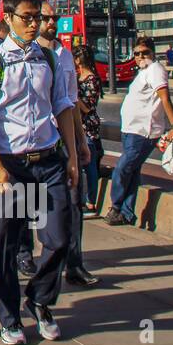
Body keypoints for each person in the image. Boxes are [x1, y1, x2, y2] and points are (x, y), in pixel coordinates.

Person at [0, 0, 79, 345]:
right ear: (9, 18)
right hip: (11, 165)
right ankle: (10, 317)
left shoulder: (47, 60)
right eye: (27, 18)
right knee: (6, 245)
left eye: (40, 18)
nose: (35, 24)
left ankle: (40, 299)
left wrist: (74, 157)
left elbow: (63, 106)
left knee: (60, 239)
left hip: (48, 160)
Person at [36, 2, 97, 287]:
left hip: (62, 142)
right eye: (45, 18)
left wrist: (80, 142)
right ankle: (32, 258)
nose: (51, 23)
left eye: (54, 18)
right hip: (35, 145)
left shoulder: (65, 55)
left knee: (74, 204)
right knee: (31, 210)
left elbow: (71, 104)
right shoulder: (28, 55)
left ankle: (75, 264)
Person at [107, 37, 173, 227]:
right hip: (131, 131)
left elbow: (165, 99)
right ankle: (126, 213)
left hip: (143, 133)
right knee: (131, 173)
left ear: (153, 53)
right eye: (137, 54)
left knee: (122, 170)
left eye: (145, 52)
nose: (141, 56)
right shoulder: (144, 71)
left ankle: (115, 207)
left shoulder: (156, 70)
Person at [73, 44, 105, 217]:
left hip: (88, 127)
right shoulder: (79, 78)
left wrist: (73, 95)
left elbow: (86, 108)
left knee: (90, 167)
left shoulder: (91, 79)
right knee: (82, 166)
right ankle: (82, 199)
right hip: (79, 127)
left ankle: (91, 202)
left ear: (78, 60)